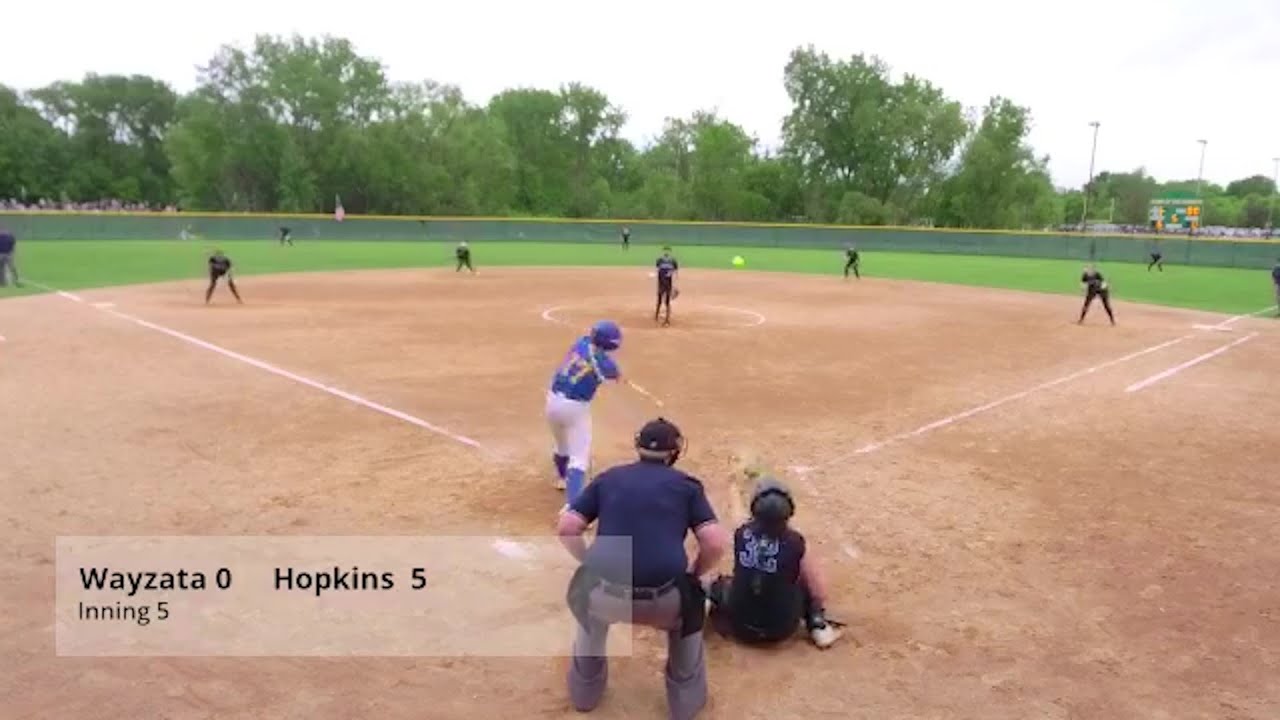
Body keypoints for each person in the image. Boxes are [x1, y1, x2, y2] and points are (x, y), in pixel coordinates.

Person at [559, 417, 730, 720]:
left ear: (638, 447)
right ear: (674, 451)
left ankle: (585, 693)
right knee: (689, 610)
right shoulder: (686, 486)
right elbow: (714, 542)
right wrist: (693, 574)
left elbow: (568, 526)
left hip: (606, 594)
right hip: (664, 599)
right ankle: (684, 703)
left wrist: (589, 563)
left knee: (590, 607)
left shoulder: (609, 478)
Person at [705, 476, 842, 649]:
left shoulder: (741, 533)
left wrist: (733, 488)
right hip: (781, 629)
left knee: (717, 583)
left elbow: (741, 520)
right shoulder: (794, 542)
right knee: (805, 583)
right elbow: (819, 591)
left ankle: (700, 609)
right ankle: (818, 626)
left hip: (738, 626)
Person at [545, 321, 623, 502]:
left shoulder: (582, 342)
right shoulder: (605, 364)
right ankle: (573, 508)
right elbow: (613, 372)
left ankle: (562, 478)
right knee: (579, 457)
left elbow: (594, 351)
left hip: (552, 400)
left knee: (562, 445)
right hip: (575, 407)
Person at [655, 247, 679, 326]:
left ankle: (667, 320)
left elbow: (676, 272)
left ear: (670, 252)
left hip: (668, 285)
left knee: (667, 302)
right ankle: (656, 315)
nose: (666, 252)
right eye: (665, 250)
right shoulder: (659, 260)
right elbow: (657, 270)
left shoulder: (673, 261)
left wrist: (675, 285)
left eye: (668, 251)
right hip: (661, 284)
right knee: (659, 300)